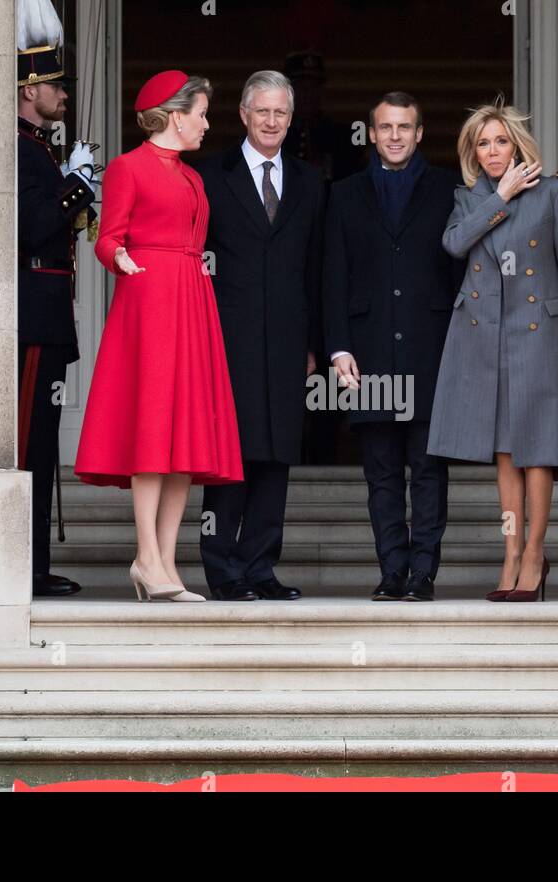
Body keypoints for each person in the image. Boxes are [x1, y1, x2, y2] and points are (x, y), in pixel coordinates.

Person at [74, 70, 243, 603]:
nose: (206, 124)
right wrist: (120, 259)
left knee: (184, 438)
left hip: (191, 299)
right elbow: (108, 236)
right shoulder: (129, 168)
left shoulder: (194, 178)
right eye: (201, 114)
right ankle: (146, 556)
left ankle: (166, 563)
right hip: (149, 302)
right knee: (151, 430)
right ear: (176, 116)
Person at [426, 100, 558, 602]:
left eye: (500, 141)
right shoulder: (469, 197)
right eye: (482, 143)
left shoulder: (554, 192)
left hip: (538, 332)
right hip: (485, 336)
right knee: (503, 455)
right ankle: (511, 553)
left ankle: (535, 554)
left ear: (516, 144)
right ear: (472, 152)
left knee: (536, 451)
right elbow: (454, 244)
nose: (492, 151)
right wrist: (499, 196)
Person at [194, 70, 327, 601]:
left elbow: (316, 268)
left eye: (281, 113)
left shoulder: (310, 180)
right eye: (262, 112)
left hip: (288, 340)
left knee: (276, 455)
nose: (271, 121)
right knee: (230, 454)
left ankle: (260, 566)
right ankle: (222, 567)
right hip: (226, 338)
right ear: (244, 115)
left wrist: (316, 341)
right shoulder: (208, 175)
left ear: (290, 120)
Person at [323, 92, 461, 601]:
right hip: (369, 351)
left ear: (419, 132)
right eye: (386, 127)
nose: (395, 136)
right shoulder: (343, 193)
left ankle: (423, 574)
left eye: (405, 127)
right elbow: (332, 275)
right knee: (381, 472)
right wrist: (337, 347)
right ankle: (391, 570)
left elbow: (460, 273)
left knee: (427, 470)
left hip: (433, 349)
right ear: (372, 133)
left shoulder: (450, 188)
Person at [16, 43, 98, 597]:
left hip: (48, 320)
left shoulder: (40, 149)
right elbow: (29, 229)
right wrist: (77, 189)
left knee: (43, 447)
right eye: (56, 85)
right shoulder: (22, 150)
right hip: (31, 322)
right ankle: (23, 565)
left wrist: (70, 182)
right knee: (28, 449)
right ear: (30, 91)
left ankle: (35, 563)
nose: (64, 94)